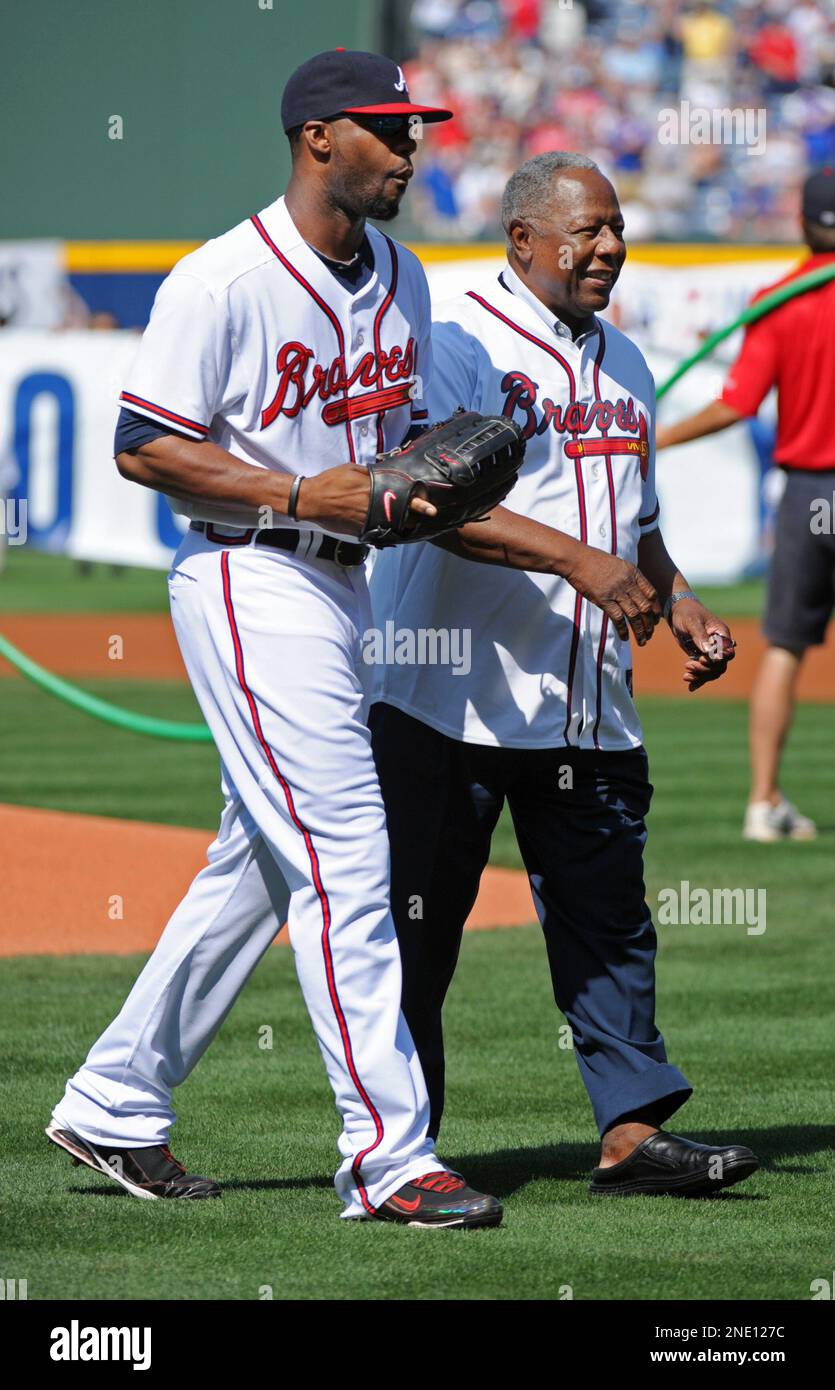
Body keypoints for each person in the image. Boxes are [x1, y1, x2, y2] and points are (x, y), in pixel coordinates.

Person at [45, 49, 504, 1229]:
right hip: (250, 577)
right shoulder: (222, 279)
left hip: (344, 591)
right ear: (316, 138)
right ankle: (389, 1158)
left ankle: (113, 1099)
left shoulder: (401, 277)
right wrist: (302, 496)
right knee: (351, 849)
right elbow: (145, 444)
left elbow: (391, 463)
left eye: (416, 131)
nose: (409, 150)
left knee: (256, 862)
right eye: (388, 131)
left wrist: (445, 464)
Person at [369, 151, 759, 1197]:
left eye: (616, 229)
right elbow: (426, 502)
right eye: (586, 231)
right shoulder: (456, 346)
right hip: (447, 700)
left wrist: (675, 599)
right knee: (418, 935)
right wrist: (583, 564)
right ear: (523, 240)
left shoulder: (624, 360)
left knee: (610, 927)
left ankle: (630, 1134)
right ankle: (405, 1153)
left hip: (586, 706)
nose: (609, 248)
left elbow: (638, 523)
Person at [656, 166, 835, 843]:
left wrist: (656, 439)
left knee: (784, 648)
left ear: (801, 224)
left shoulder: (779, 298)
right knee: (784, 647)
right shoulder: (780, 296)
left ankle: (763, 801)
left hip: (805, 494)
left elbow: (736, 403)